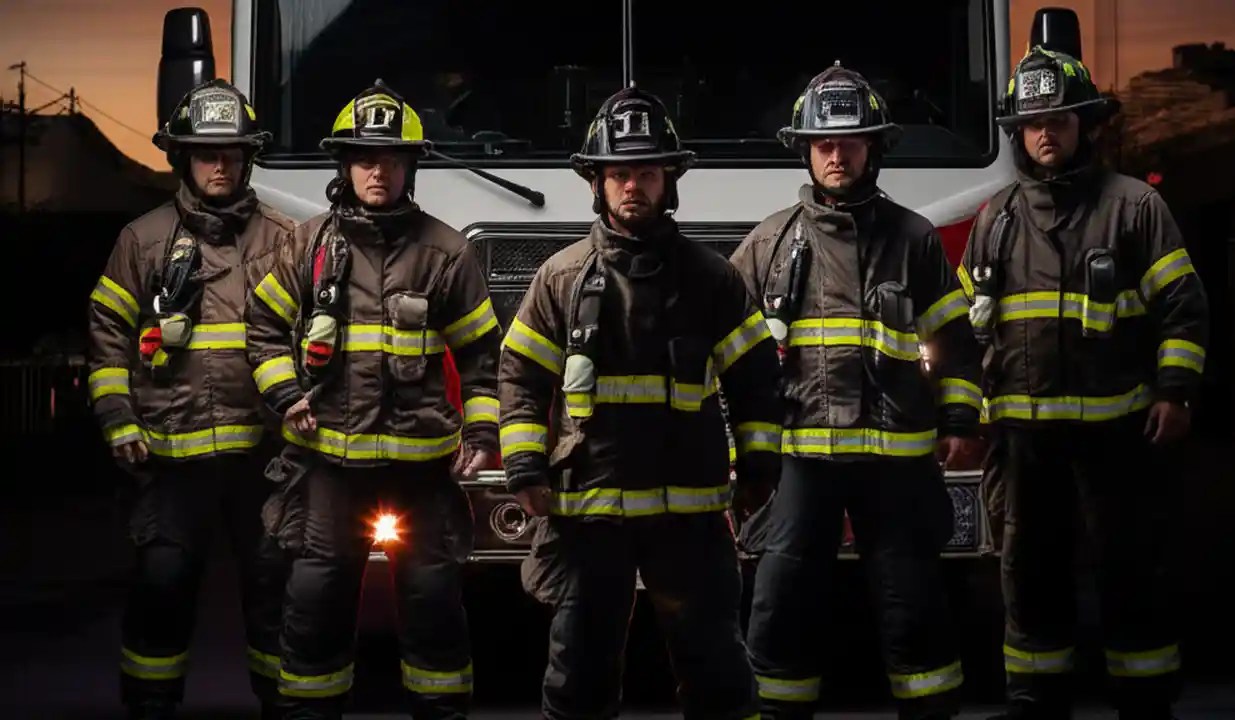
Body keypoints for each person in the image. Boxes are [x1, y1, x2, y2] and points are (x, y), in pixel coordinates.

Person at [498, 84, 784, 720]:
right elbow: (519, 378)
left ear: (669, 181)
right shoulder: (561, 279)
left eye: (646, 173)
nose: (633, 187)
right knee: (579, 676)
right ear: (596, 183)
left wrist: (761, 465)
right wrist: (523, 468)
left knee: (717, 673)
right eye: (619, 174)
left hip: (691, 520)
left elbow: (756, 380)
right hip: (588, 517)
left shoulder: (714, 279)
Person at [959, 47, 1210, 720]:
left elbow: (1182, 308)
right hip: (1024, 442)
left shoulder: (1135, 206)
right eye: (1035, 122)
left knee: (1132, 570)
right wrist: (965, 412)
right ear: (1018, 131)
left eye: (1061, 120)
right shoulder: (997, 219)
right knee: (1029, 575)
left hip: (1119, 435)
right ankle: (1037, 701)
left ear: (1086, 125)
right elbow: (966, 324)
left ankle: (1144, 699)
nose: (1047, 133)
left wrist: (1175, 391)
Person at [729, 62, 983, 720]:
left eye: (850, 143)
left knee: (914, 607)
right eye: (825, 145)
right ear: (806, 150)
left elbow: (955, 341)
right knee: (780, 603)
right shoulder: (768, 242)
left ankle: (930, 713)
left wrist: (959, 417)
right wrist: (739, 449)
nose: (837, 156)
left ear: (874, 148)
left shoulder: (915, 239)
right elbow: (730, 356)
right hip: (799, 464)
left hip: (897, 463)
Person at [244, 79, 500, 720]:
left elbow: (481, 359)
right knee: (315, 600)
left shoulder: (448, 252)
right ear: (344, 166)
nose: (377, 171)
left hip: (422, 472)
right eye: (364, 158)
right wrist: (286, 393)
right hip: (329, 464)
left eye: (389, 159)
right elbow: (264, 330)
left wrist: (481, 434)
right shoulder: (305, 247)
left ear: (410, 166)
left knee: (434, 602)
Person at [87, 78, 292, 720]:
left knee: (275, 592)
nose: (220, 163)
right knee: (162, 591)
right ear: (181, 156)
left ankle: (288, 707)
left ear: (248, 156)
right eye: (207, 152)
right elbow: (107, 335)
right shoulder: (142, 241)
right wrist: (118, 416)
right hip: (170, 463)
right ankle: (151, 707)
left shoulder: (288, 239)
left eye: (232, 151)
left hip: (267, 461)